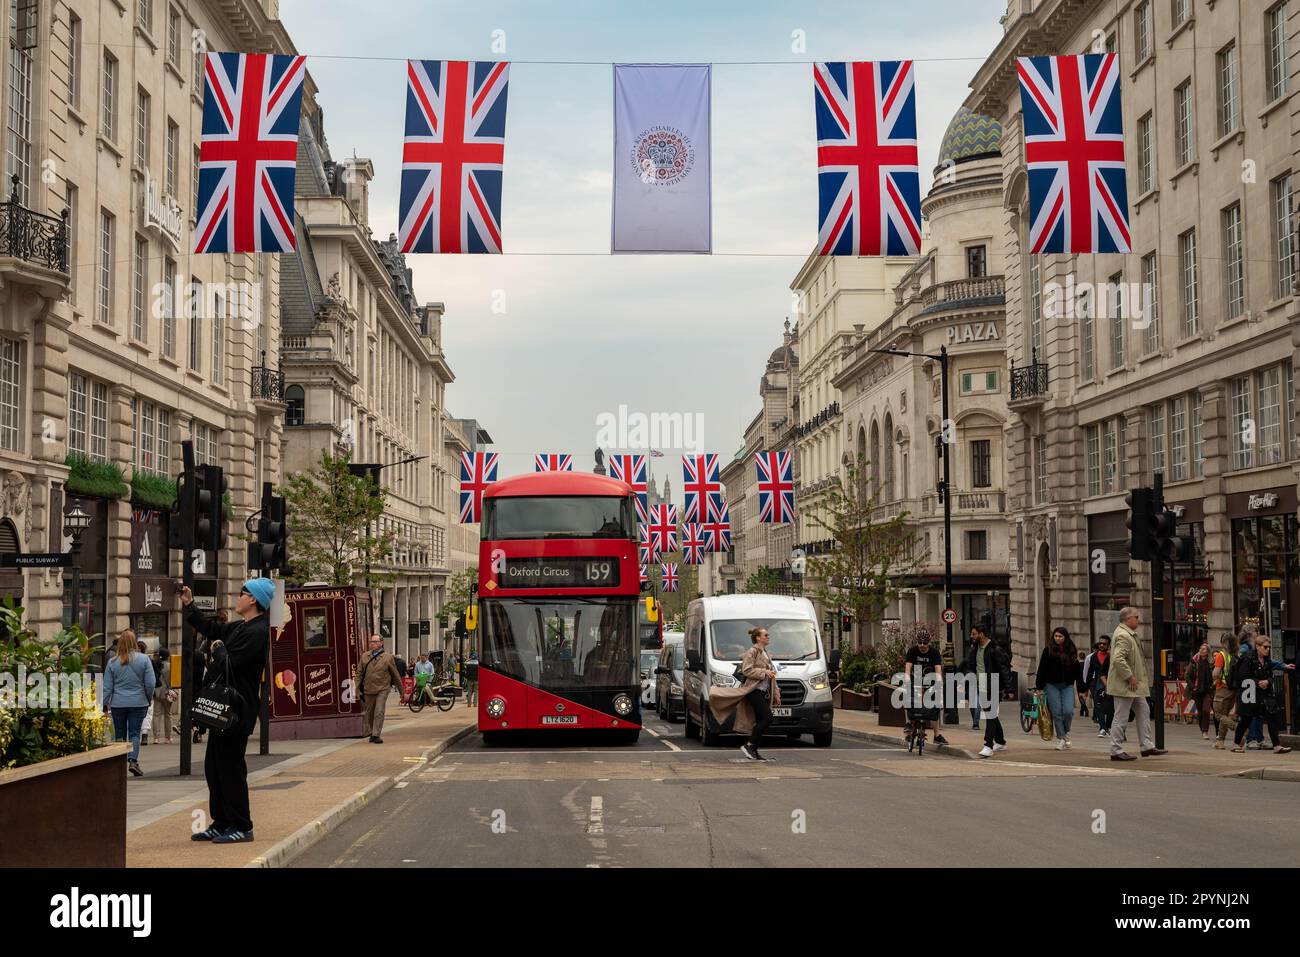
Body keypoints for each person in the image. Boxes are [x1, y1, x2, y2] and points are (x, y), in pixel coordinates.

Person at [180, 579, 272, 844]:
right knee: (214, 767)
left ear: (253, 599)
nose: (238, 597)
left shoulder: (258, 631)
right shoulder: (241, 626)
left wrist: (219, 650)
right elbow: (211, 627)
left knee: (231, 769)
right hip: (222, 709)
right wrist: (189, 604)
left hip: (238, 710)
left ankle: (242, 825)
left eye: (242, 593)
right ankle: (221, 822)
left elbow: (233, 664)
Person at [708, 626, 782, 761]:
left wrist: (776, 695)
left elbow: (772, 677)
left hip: (764, 692)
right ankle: (750, 745)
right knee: (767, 718)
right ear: (758, 638)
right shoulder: (752, 652)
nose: (768, 637)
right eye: (766, 635)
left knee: (761, 720)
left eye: (767, 635)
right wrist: (764, 672)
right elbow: (747, 670)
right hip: (753, 691)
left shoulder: (765, 653)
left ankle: (754, 750)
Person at [1108, 607, 1164, 761]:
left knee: (1144, 711)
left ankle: (1146, 745)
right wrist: (1129, 676)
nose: (1138, 620)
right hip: (1125, 685)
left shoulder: (1128, 634)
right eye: (1136, 617)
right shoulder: (1123, 635)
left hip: (1133, 685)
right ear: (1128, 619)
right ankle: (1115, 749)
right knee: (1121, 716)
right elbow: (1118, 659)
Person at [1230, 634, 1294, 754]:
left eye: (1269, 647)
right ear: (1257, 646)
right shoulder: (1247, 658)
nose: (1268, 649)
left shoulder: (1267, 660)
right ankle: (1235, 744)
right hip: (1249, 694)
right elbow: (1242, 678)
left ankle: (1277, 746)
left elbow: (1270, 676)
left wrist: (1268, 682)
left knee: (1272, 718)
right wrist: (1258, 682)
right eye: (1265, 647)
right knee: (1246, 720)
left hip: (1264, 695)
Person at [103, 629, 155, 777]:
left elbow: (107, 687)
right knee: (134, 733)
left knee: (119, 734)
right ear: (134, 642)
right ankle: (133, 760)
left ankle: (118, 765)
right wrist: (147, 697)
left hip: (118, 703)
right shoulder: (144, 660)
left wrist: (103, 704)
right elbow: (150, 683)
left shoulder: (112, 662)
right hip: (138, 703)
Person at [961, 625, 1008, 758]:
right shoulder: (975, 649)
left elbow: (1003, 669)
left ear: (982, 634)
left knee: (990, 715)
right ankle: (1000, 741)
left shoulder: (994, 650)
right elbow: (971, 666)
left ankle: (988, 745)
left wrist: (1009, 689)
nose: (971, 636)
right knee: (990, 714)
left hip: (993, 684)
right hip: (980, 685)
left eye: (974, 634)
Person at [1036, 626, 1081, 750]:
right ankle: (1061, 738)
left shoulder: (1071, 650)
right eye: (1056, 636)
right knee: (1056, 713)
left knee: (1068, 711)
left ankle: (1065, 733)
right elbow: (1042, 669)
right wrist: (1039, 687)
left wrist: (1082, 689)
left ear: (1065, 638)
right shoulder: (1048, 650)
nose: (1057, 638)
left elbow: (1077, 669)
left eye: (1060, 636)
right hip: (1051, 685)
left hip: (1067, 684)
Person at [904, 629, 947, 746]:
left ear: (929, 642)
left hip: (930, 679)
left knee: (935, 706)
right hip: (916, 678)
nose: (922, 645)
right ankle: (908, 723)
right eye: (920, 643)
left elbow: (938, 670)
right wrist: (907, 680)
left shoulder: (934, 653)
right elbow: (908, 668)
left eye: (925, 643)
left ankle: (937, 735)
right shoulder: (912, 651)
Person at [357, 635, 403, 744]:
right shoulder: (364, 656)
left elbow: (395, 675)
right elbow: (359, 674)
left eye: (375, 641)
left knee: (379, 711)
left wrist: (402, 691)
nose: (372, 643)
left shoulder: (388, 657)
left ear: (381, 643)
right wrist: (357, 689)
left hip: (383, 689)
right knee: (370, 713)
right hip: (368, 689)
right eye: (371, 641)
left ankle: (375, 735)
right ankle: (373, 732)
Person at [1211, 632, 1240, 750]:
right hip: (1233, 689)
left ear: (1224, 642)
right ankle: (1220, 741)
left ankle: (1238, 729)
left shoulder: (1221, 655)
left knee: (1218, 714)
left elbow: (1215, 673)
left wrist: (1214, 676)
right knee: (1225, 715)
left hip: (1222, 688)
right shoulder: (1237, 655)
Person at [1082, 635, 1113, 736]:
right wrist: (1085, 688)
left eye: (1104, 643)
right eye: (1100, 643)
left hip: (1110, 682)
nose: (1102, 645)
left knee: (1110, 706)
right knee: (1098, 705)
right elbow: (1088, 672)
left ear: (1108, 645)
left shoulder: (1111, 656)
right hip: (1096, 683)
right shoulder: (1092, 657)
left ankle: (1108, 726)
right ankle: (1102, 727)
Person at [1184, 641, 1214, 740]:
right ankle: (1202, 730)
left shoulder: (1211, 662)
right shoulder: (1194, 661)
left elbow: (1215, 675)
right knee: (1200, 713)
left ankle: (1205, 731)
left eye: (1204, 649)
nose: (1201, 650)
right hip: (1197, 690)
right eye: (1201, 648)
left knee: (1206, 710)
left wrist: (1212, 686)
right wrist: (1193, 687)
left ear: (1208, 651)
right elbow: (1187, 676)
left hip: (1207, 690)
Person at [151, 646, 176, 744]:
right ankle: (168, 737)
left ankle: (156, 738)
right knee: (168, 714)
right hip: (167, 693)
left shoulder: (155, 665)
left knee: (156, 715)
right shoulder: (170, 666)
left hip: (157, 692)